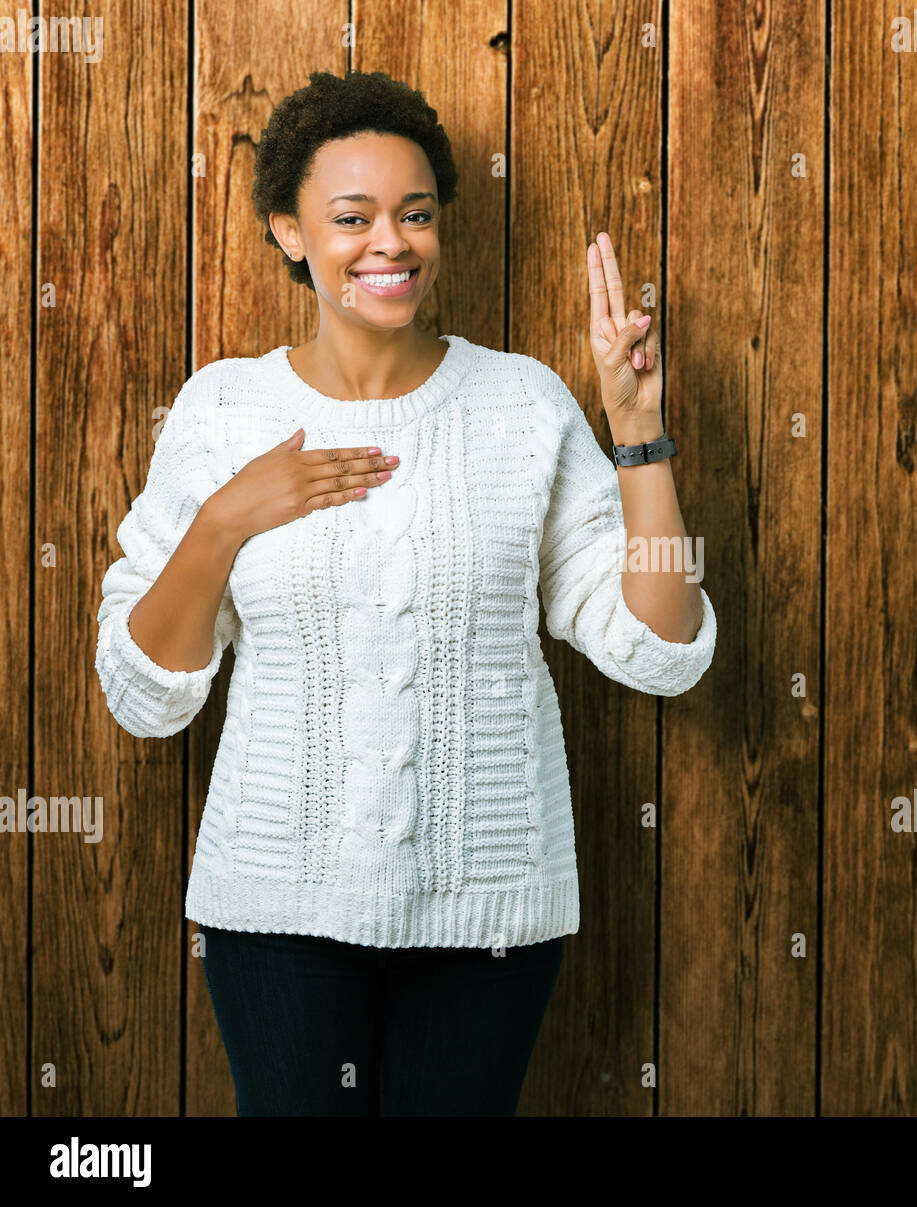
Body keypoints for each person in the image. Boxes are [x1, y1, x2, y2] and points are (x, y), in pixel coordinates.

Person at [93, 69, 716, 1117]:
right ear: (290, 232)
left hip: (490, 910)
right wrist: (222, 521)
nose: (390, 242)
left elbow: (659, 647)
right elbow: (142, 692)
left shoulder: (522, 402)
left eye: (415, 214)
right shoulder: (223, 408)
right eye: (353, 217)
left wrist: (637, 433)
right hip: (277, 910)